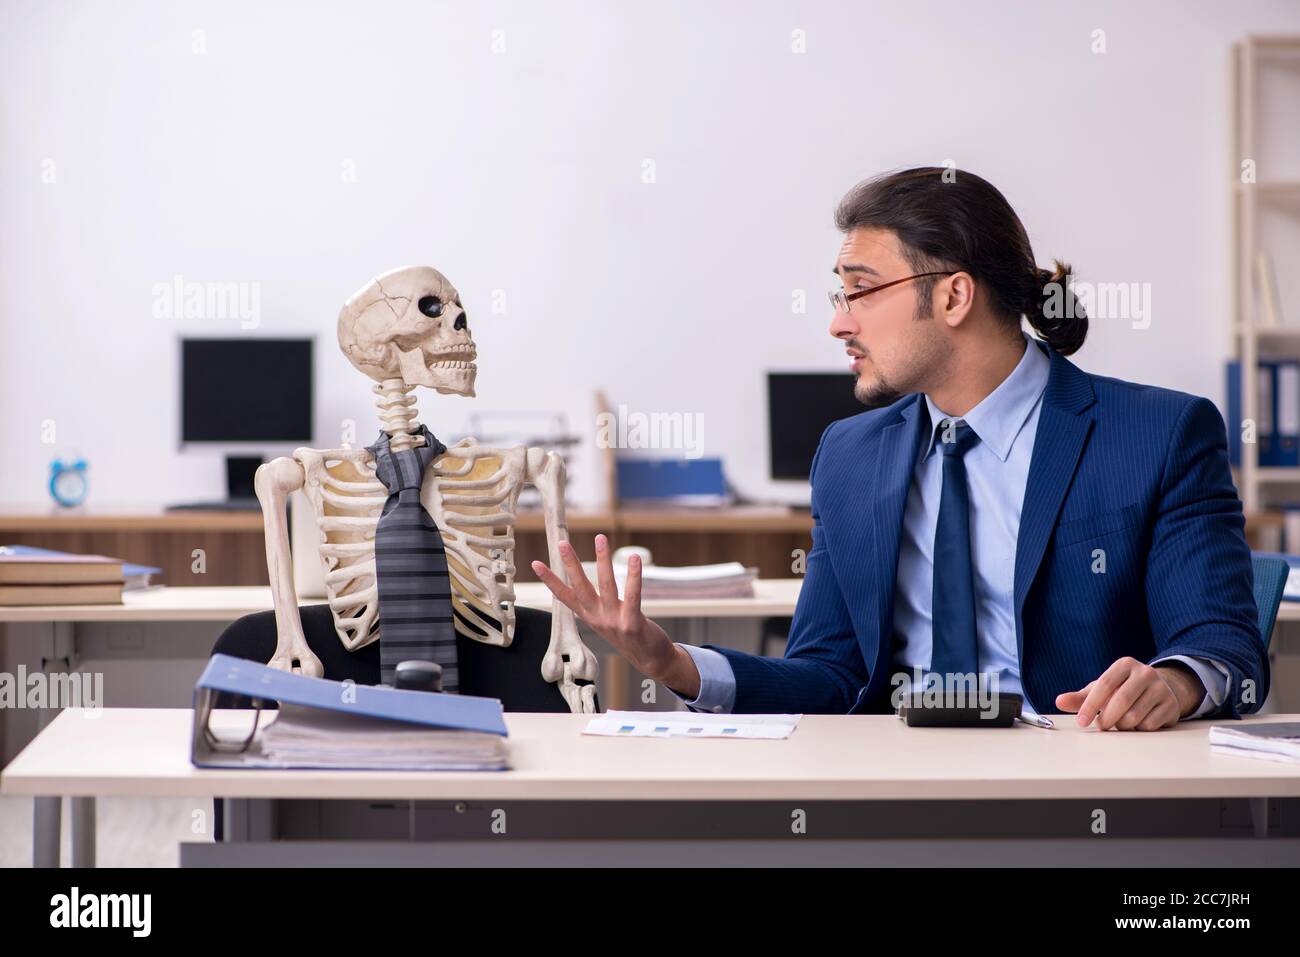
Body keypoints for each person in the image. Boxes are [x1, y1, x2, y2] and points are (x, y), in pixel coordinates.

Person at [532, 167, 1269, 731]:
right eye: (837, 294)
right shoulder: (851, 456)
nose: (838, 324)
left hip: (1085, 786)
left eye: (861, 290)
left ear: (952, 297)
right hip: (894, 789)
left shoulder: (1157, 434)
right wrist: (675, 663)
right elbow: (830, 675)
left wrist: (1174, 682)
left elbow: (1225, 650)